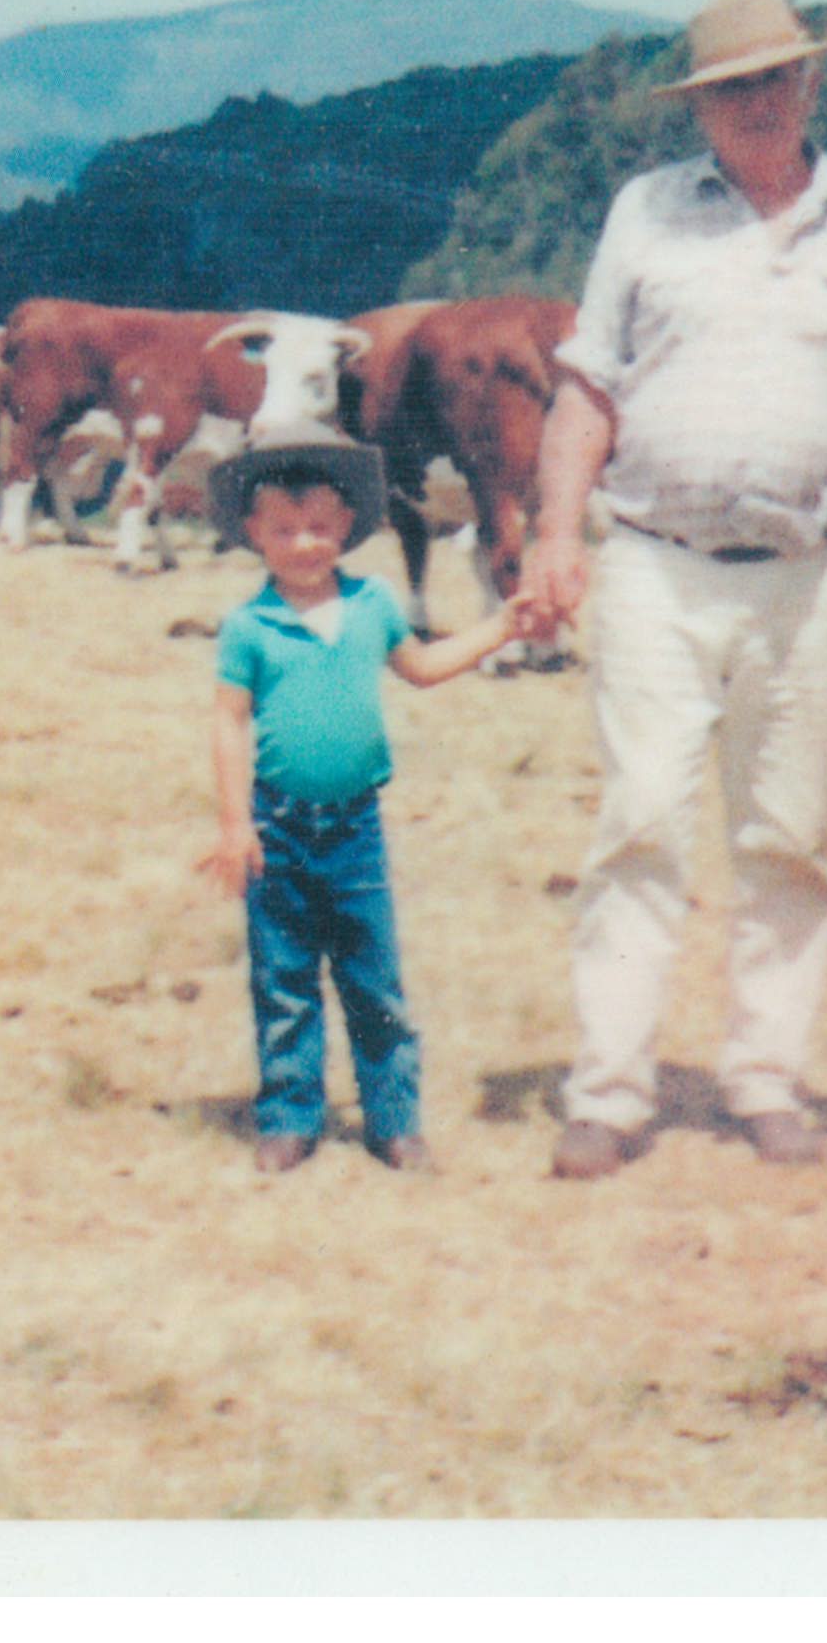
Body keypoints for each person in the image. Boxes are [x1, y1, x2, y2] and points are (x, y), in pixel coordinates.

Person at [514, 0, 827, 1179]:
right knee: (640, 822)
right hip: (656, 566)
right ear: (697, 107)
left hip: (813, 577)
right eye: (728, 89)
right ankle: (607, 1095)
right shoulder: (644, 214)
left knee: (789, 834)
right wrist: (556, 533)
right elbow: (585, 389)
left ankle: (764, 1081)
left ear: (811, 83)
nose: (753, 105)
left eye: (773, 80)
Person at [205, 432, 521, 1174]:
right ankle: (289, 1116)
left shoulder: (372, 603)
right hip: (276, 829)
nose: (303, 544)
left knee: (372, 979)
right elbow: (227, 720)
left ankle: (393, 1119)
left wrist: (502, 626)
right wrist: (233, 823)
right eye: (282, 530)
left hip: (353, 832)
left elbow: (425, 666)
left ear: (347, 524)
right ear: (253, 533)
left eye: (318, 527)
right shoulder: (250, 627)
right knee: (283, 980)